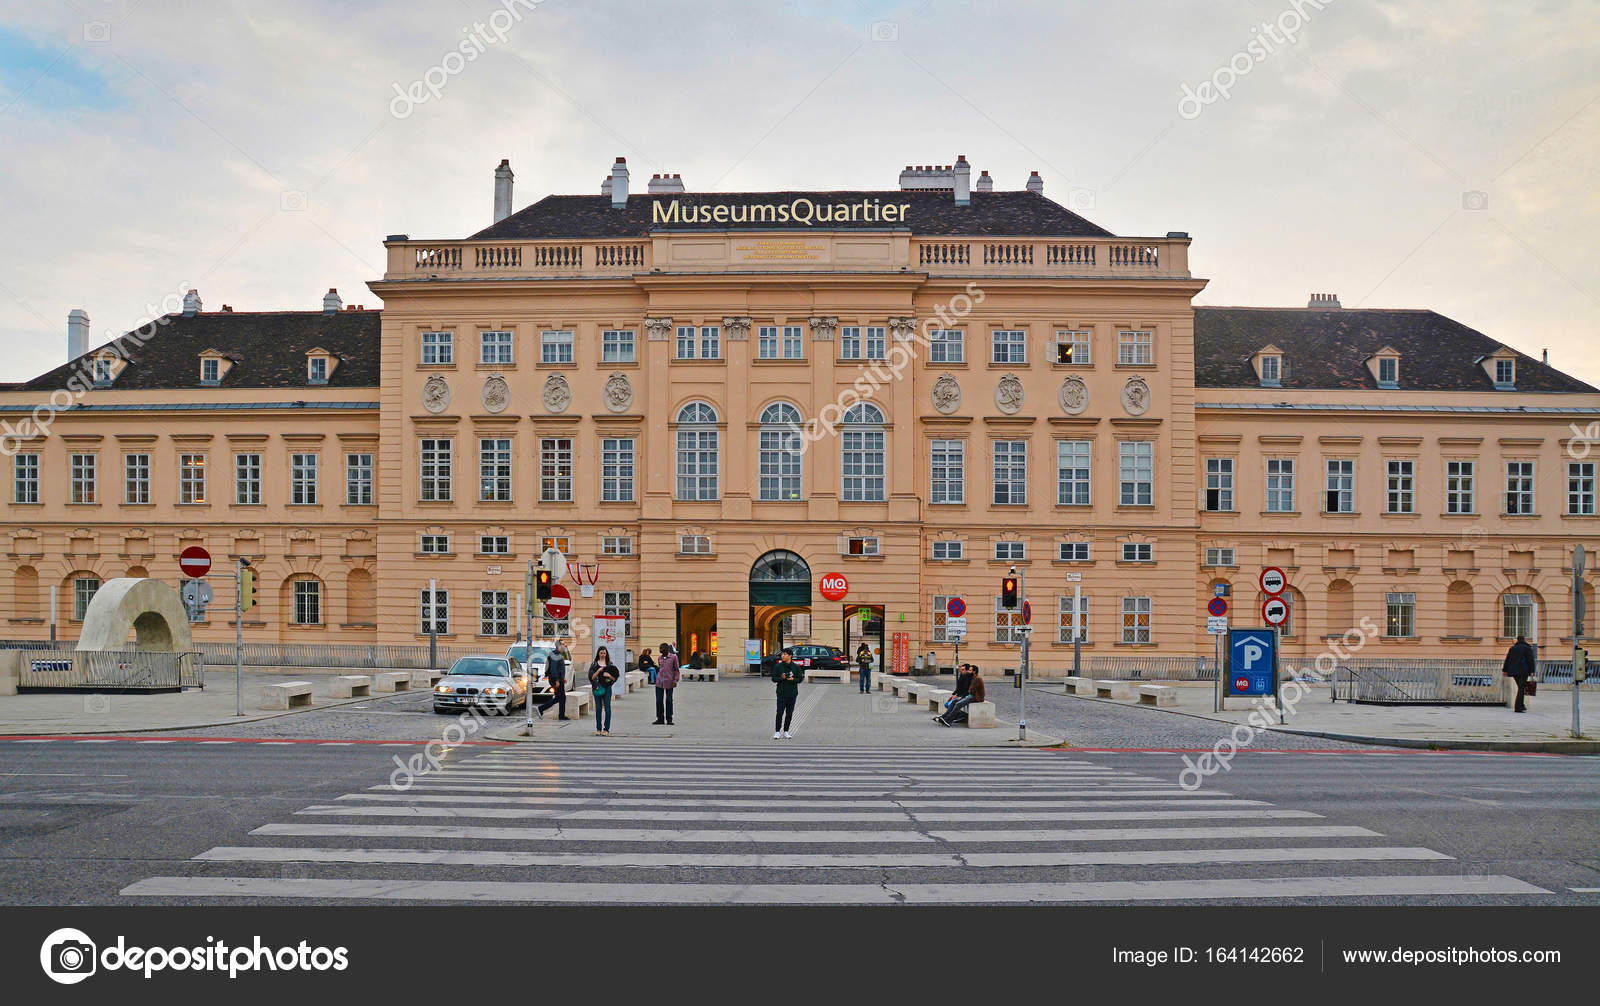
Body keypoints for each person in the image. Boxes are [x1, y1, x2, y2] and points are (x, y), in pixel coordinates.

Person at [771, 648, 805, 739]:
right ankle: (777, 731)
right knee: (779, 712)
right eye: (782, 654)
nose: (783, 656)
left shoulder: (796, 667)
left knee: (789, 713)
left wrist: (793, 679)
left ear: (790, 656)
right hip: (781, 692)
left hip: (792, 693)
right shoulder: (778, 666)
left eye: (785, 654)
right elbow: (774, 679)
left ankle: (786, 731)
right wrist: (782, 678)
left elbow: (800, 679)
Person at [534, 636, 570, 720]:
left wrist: (562, 678)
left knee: (559, 698)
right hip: (555, 679)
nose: (565, 646)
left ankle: (544, 710)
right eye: (564, 644)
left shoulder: (557, 654)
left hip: (558, 679)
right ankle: (542, 709)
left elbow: (559, 668)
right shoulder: (555, 655)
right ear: (559, 646)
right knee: (561, 698)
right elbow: (554, 669)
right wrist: (557, 680)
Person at [588, 648, 620, 735]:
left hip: (607, 688)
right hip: (597, 688)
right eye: (601, 653)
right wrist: (598, 671)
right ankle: (598, 729)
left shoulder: (610, 664)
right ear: (598, 654)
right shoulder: (594, 664)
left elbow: (615, 678)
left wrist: (609, 676)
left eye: (604, 653)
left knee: (607, 708)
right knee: (598, 709)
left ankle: (606, 729)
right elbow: (591, 678)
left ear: (606, 654)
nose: (603, 654)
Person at [1502, 634, 1537, 713]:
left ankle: (1521, 705)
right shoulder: (1527, 648)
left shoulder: (1513, 648)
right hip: (1523, 671)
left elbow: (1507, 659)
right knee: (1521, 688)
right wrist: (1532, 671)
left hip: (1513, 671)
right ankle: (1518, 707)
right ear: (1524, 640)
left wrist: (1505, 670)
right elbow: (1530, 660)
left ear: (1517, 640)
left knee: (1521, 688)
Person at [654, 642, 680, 725]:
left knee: (669, 700)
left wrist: (675, 680)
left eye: (662, 648)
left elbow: (676, 670)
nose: (660, 650)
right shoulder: (659, 658)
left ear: (667, 649)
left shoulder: (673, 657)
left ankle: (669, 719)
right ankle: (660, 718)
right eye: (660, 648)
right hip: (659, 682)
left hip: (670, 682)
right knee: (659, 701)